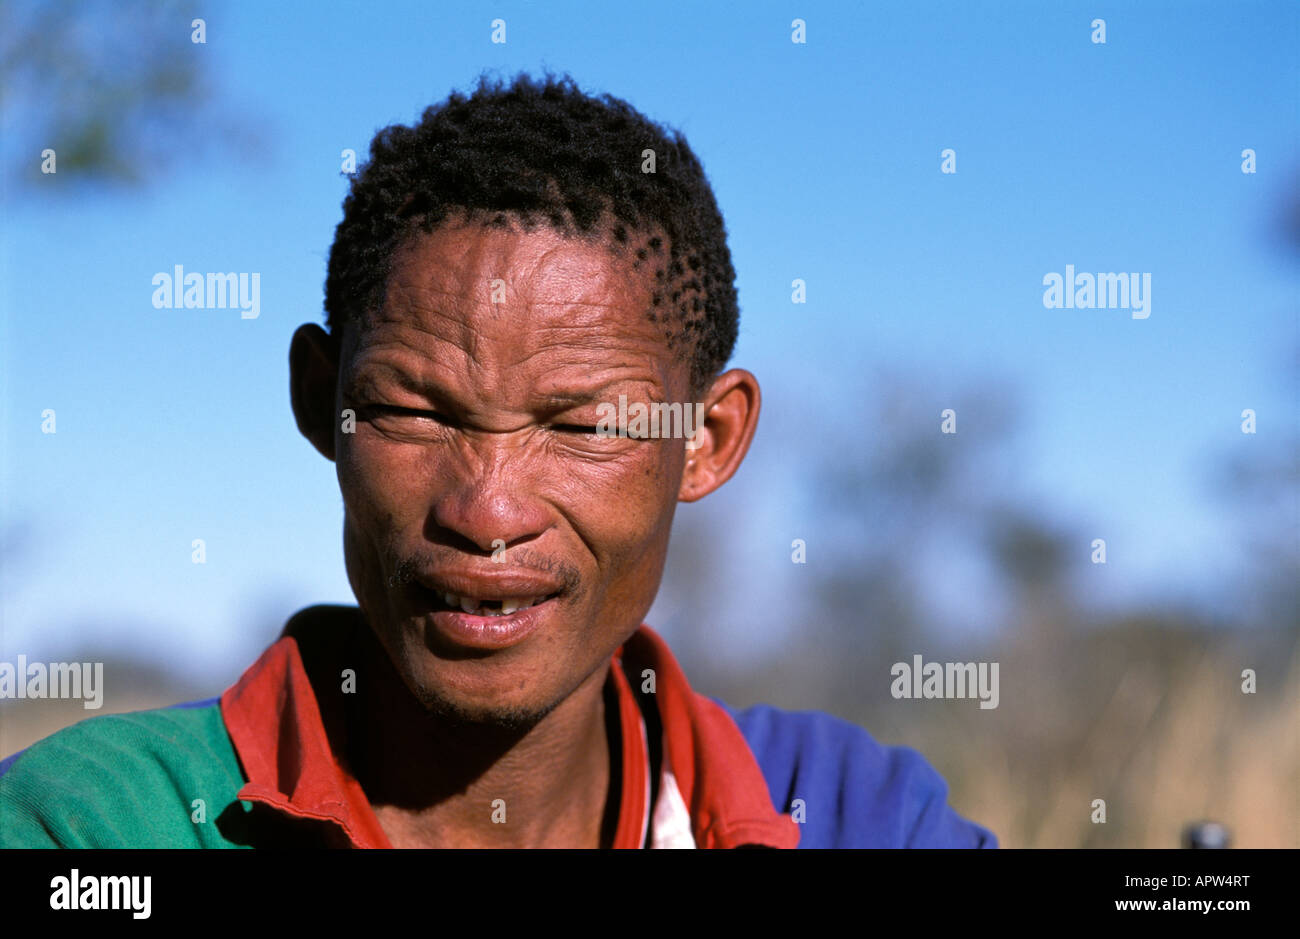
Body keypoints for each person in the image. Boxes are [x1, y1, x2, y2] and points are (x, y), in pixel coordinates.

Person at [0, 72, 996, 849]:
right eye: (410, 412)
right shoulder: (100, 827)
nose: (487, 510)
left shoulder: (844, 814)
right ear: (319, 402)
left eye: (585, 426)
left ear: (707, 439)